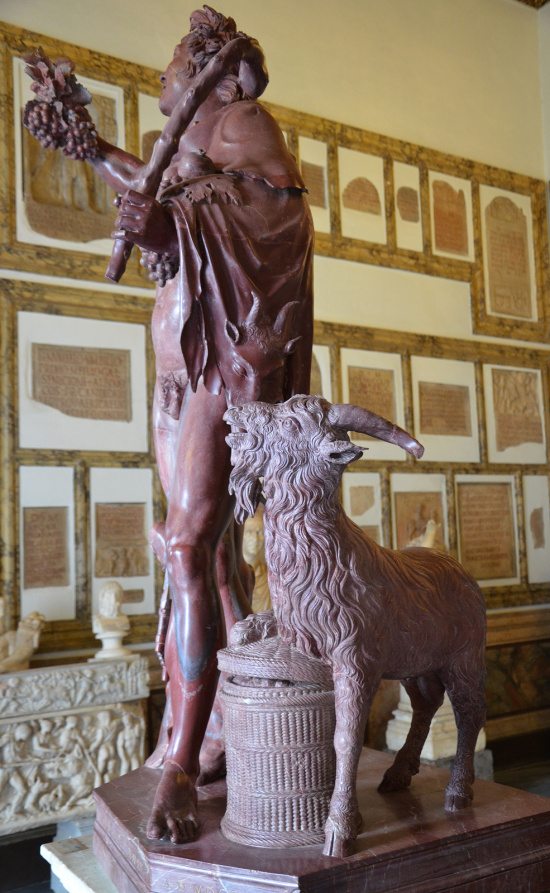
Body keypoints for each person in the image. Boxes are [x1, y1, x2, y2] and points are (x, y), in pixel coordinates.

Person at [28, 5, 313, 843]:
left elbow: (273, 220)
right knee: (211, 554)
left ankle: (183, 762)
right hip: (179, 371)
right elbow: (168, 194)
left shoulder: (241, 120)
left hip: (226, 367)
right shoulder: (199, 146)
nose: (160, 84)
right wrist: (93, 150)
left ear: (210, 74)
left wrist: (170, 222)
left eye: (169, 69)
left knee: (189, 543)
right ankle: (223, 727)